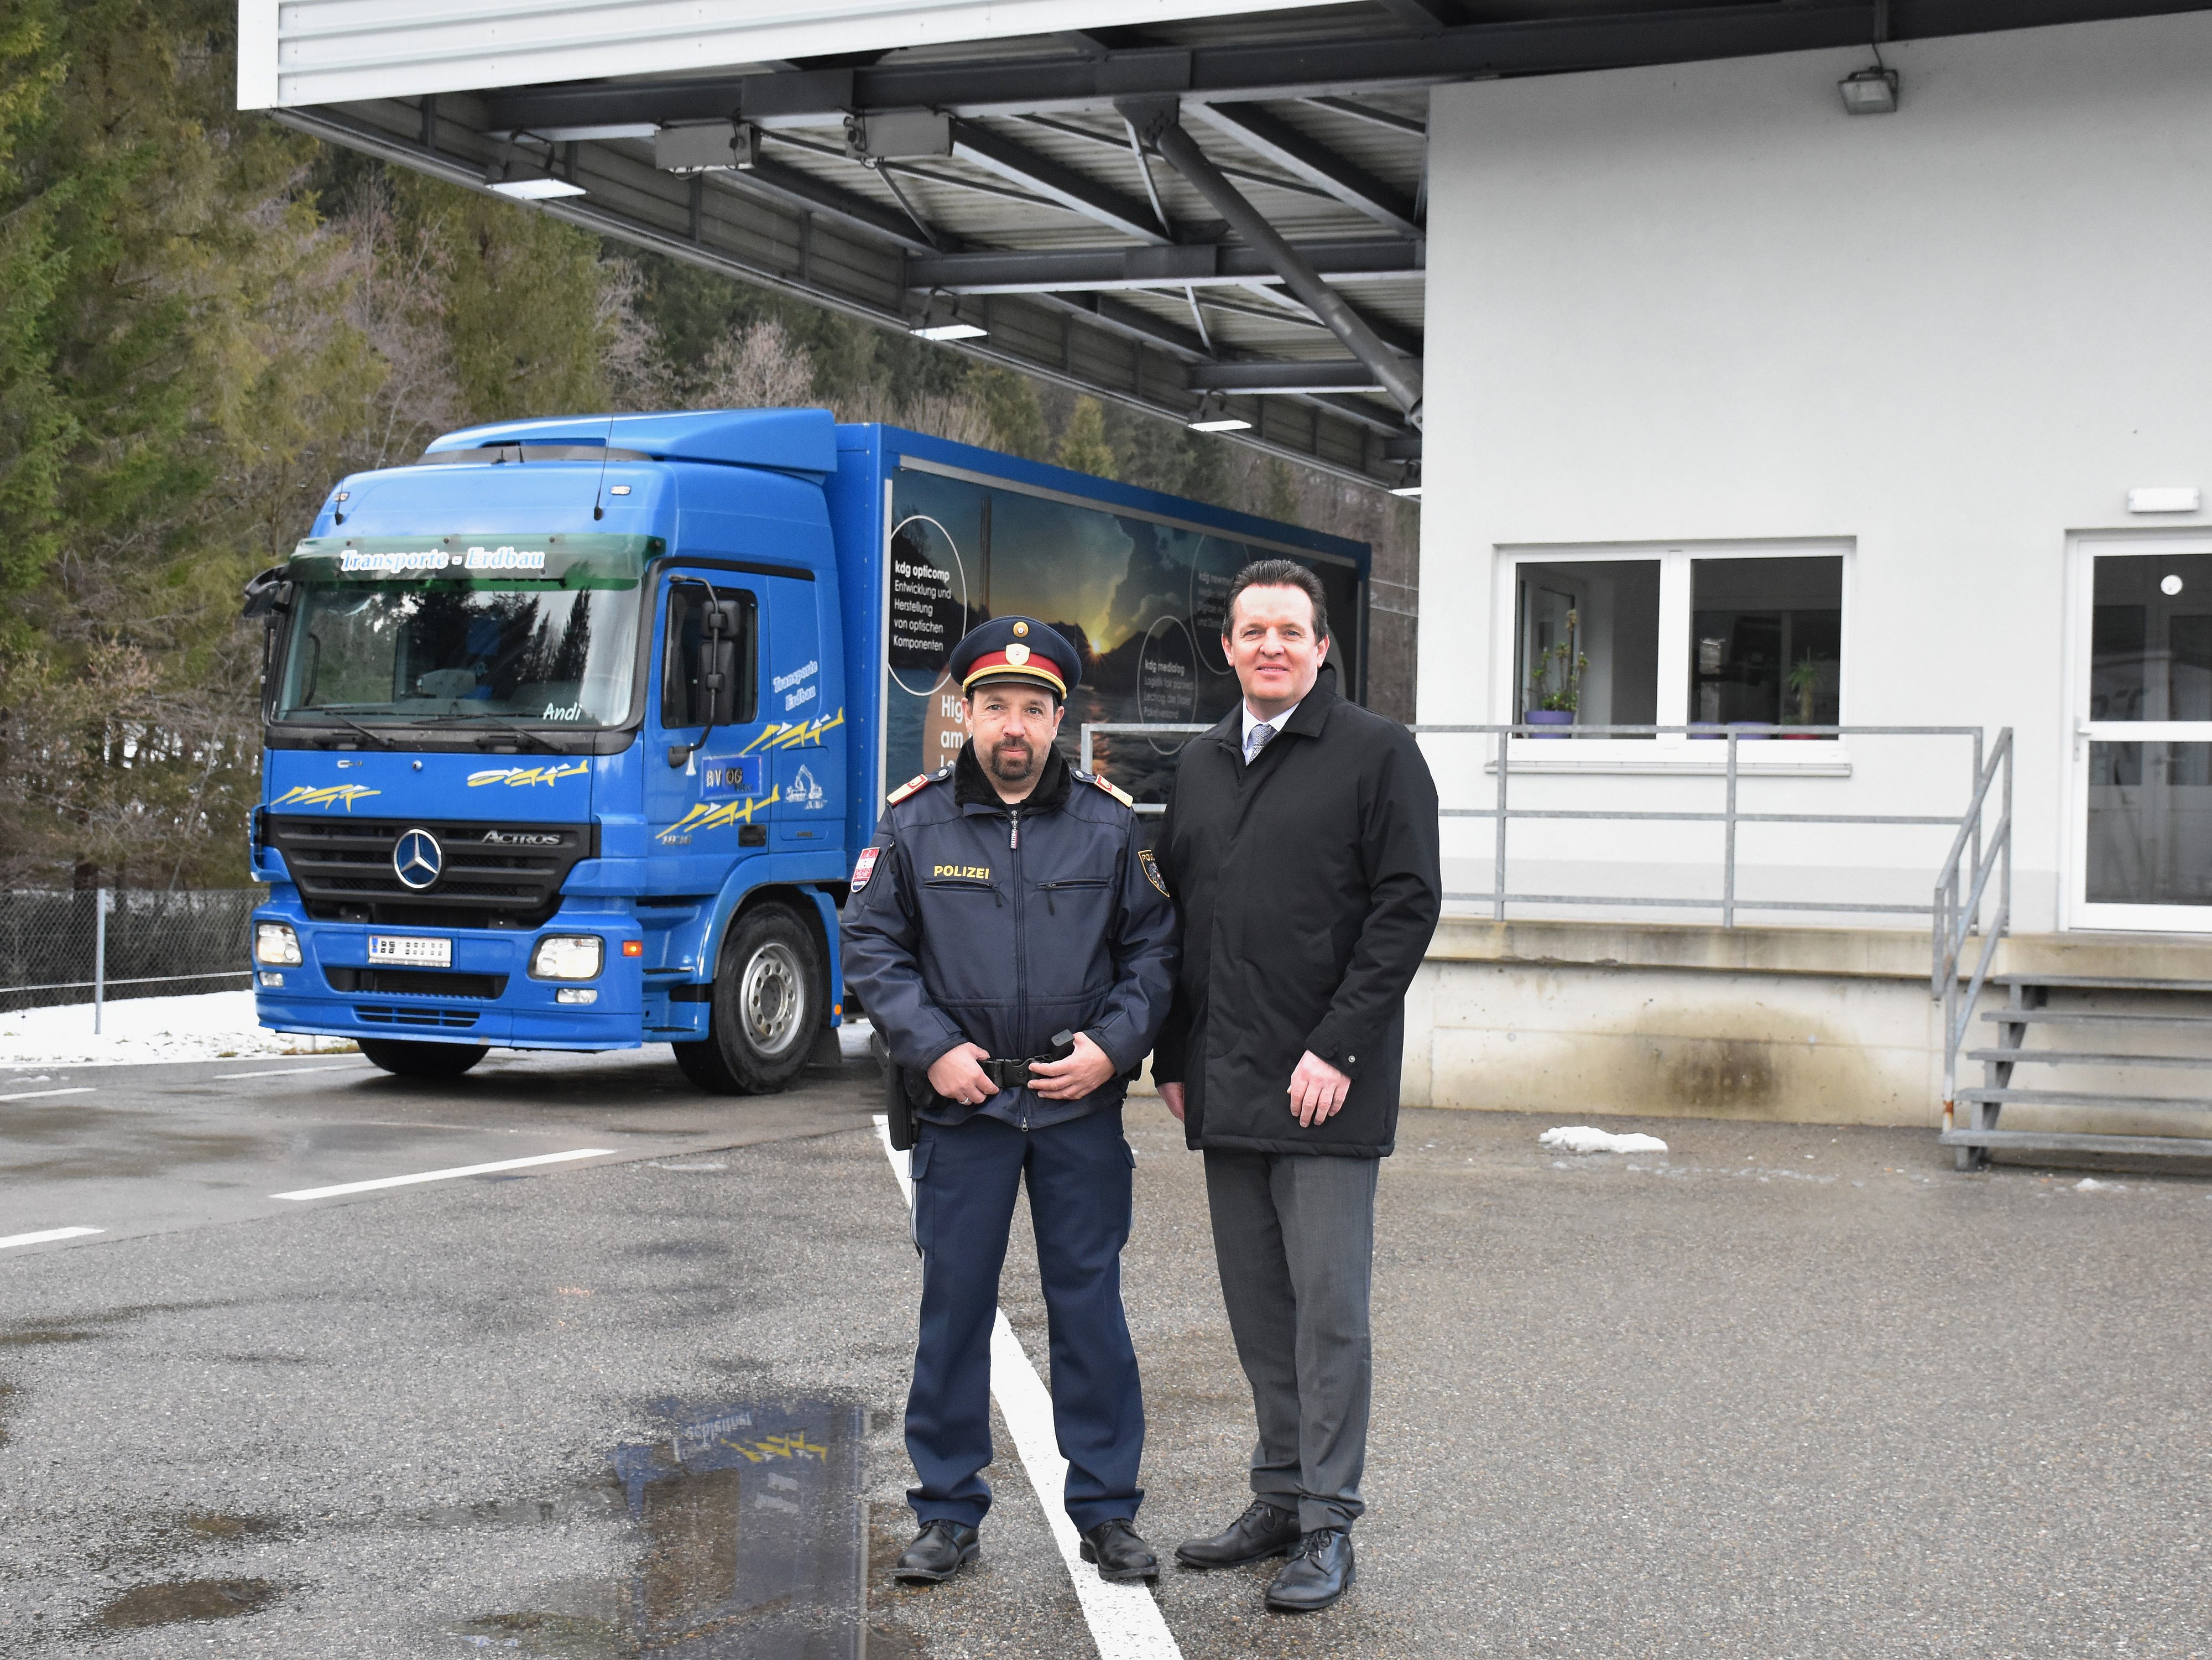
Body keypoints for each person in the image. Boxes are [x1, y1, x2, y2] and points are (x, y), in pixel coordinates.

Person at [843, 616, 1180, 1588]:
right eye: (996, 706)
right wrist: (934, 1046)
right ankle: (947, 1512)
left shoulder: (1111, 825)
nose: (1015, 726)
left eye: (1035, 708)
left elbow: (1156, 950)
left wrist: (1112, 1047)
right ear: (967, 713)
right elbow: (871, 945)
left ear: (1060, 718)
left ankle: (1108, 1511)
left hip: (1076, 1108)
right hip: (966, 1109)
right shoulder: (913, 823)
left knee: (1092, 1313)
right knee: (953, 1317)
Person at [1151, 559, 1442, 1614]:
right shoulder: (1197, 766)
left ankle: (1329, 1519)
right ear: (1227, 648)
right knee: (1259, 1310)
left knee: (1329, 1314)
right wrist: (1173, 1056)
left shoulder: (1378, 756)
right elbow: (1181, 926)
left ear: (1323, 647)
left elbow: (1405, 910)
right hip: (1227, 1084)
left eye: (1290, 630)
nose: (1270, 645)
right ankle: (1278, 1494)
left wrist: (1340, 1048)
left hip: (1326, 1086)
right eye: (1251, 630)